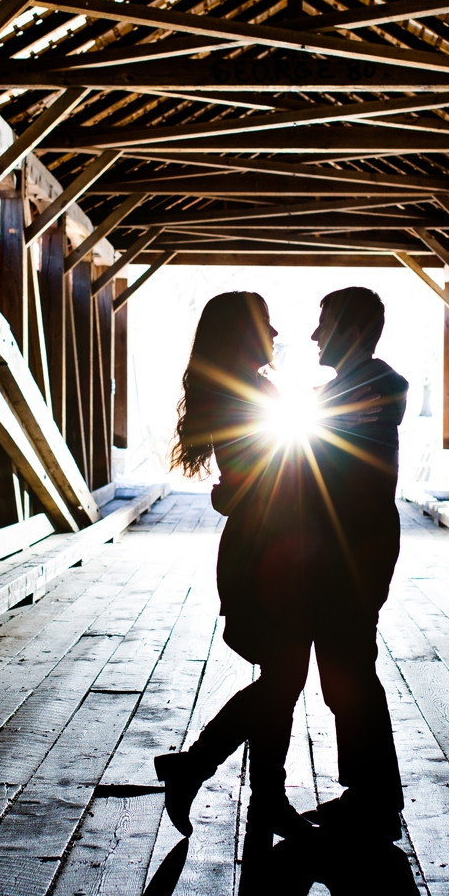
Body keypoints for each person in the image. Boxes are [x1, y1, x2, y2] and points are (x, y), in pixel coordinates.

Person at [157, 292, 316, 840]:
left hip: (260, 545)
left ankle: (262, 797)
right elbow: (267, 475)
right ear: (242, 334)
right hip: (269, 552)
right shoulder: (249, 391)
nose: (274, 334)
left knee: (282, 676)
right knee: (285, 677)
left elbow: (241, 483)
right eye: (265, 325)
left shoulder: (234, 389)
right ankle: (202, 770)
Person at [297, 287, 407, 838]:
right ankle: (369, 794)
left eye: (326, 324)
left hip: (353, 549)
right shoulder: (360, 387)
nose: (316, 335)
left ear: (356, 331)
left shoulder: (369, 388)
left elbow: (317, 465)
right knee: (346, 669)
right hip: (350, 544)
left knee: (348, 672)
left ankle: (375, 800)